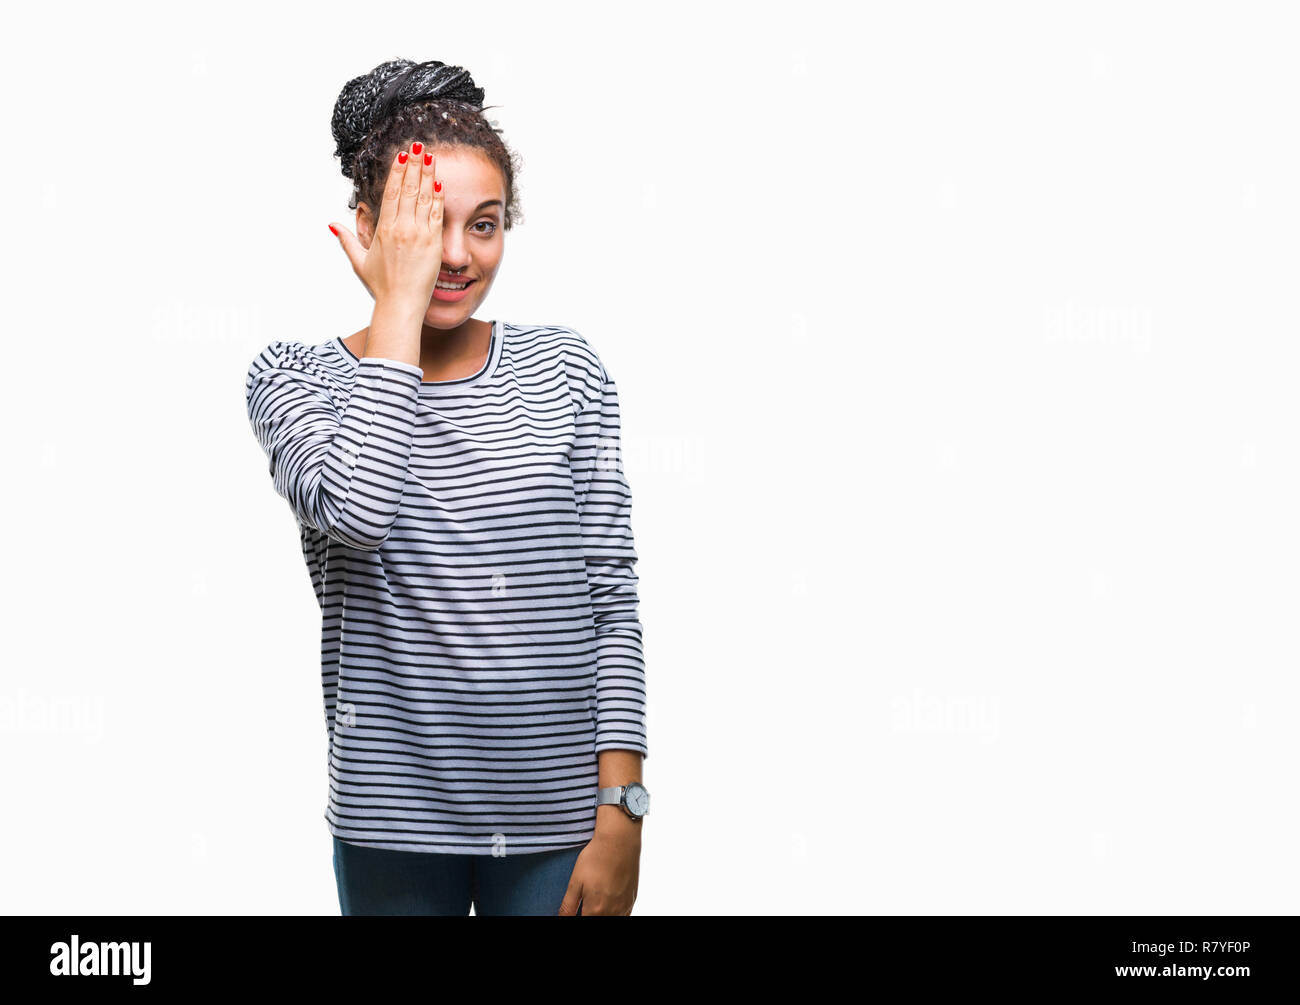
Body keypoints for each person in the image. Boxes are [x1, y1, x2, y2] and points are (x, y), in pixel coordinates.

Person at [244, 58, 650, 916]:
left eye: (487, 225)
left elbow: (611, 599)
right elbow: (355, 510)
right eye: (429, 227)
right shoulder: (294, 379)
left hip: (560, 818)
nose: (459, 256)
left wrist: (623, 811)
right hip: (391, 822)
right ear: (368, 225)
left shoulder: (567, 368)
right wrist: (398, 304)